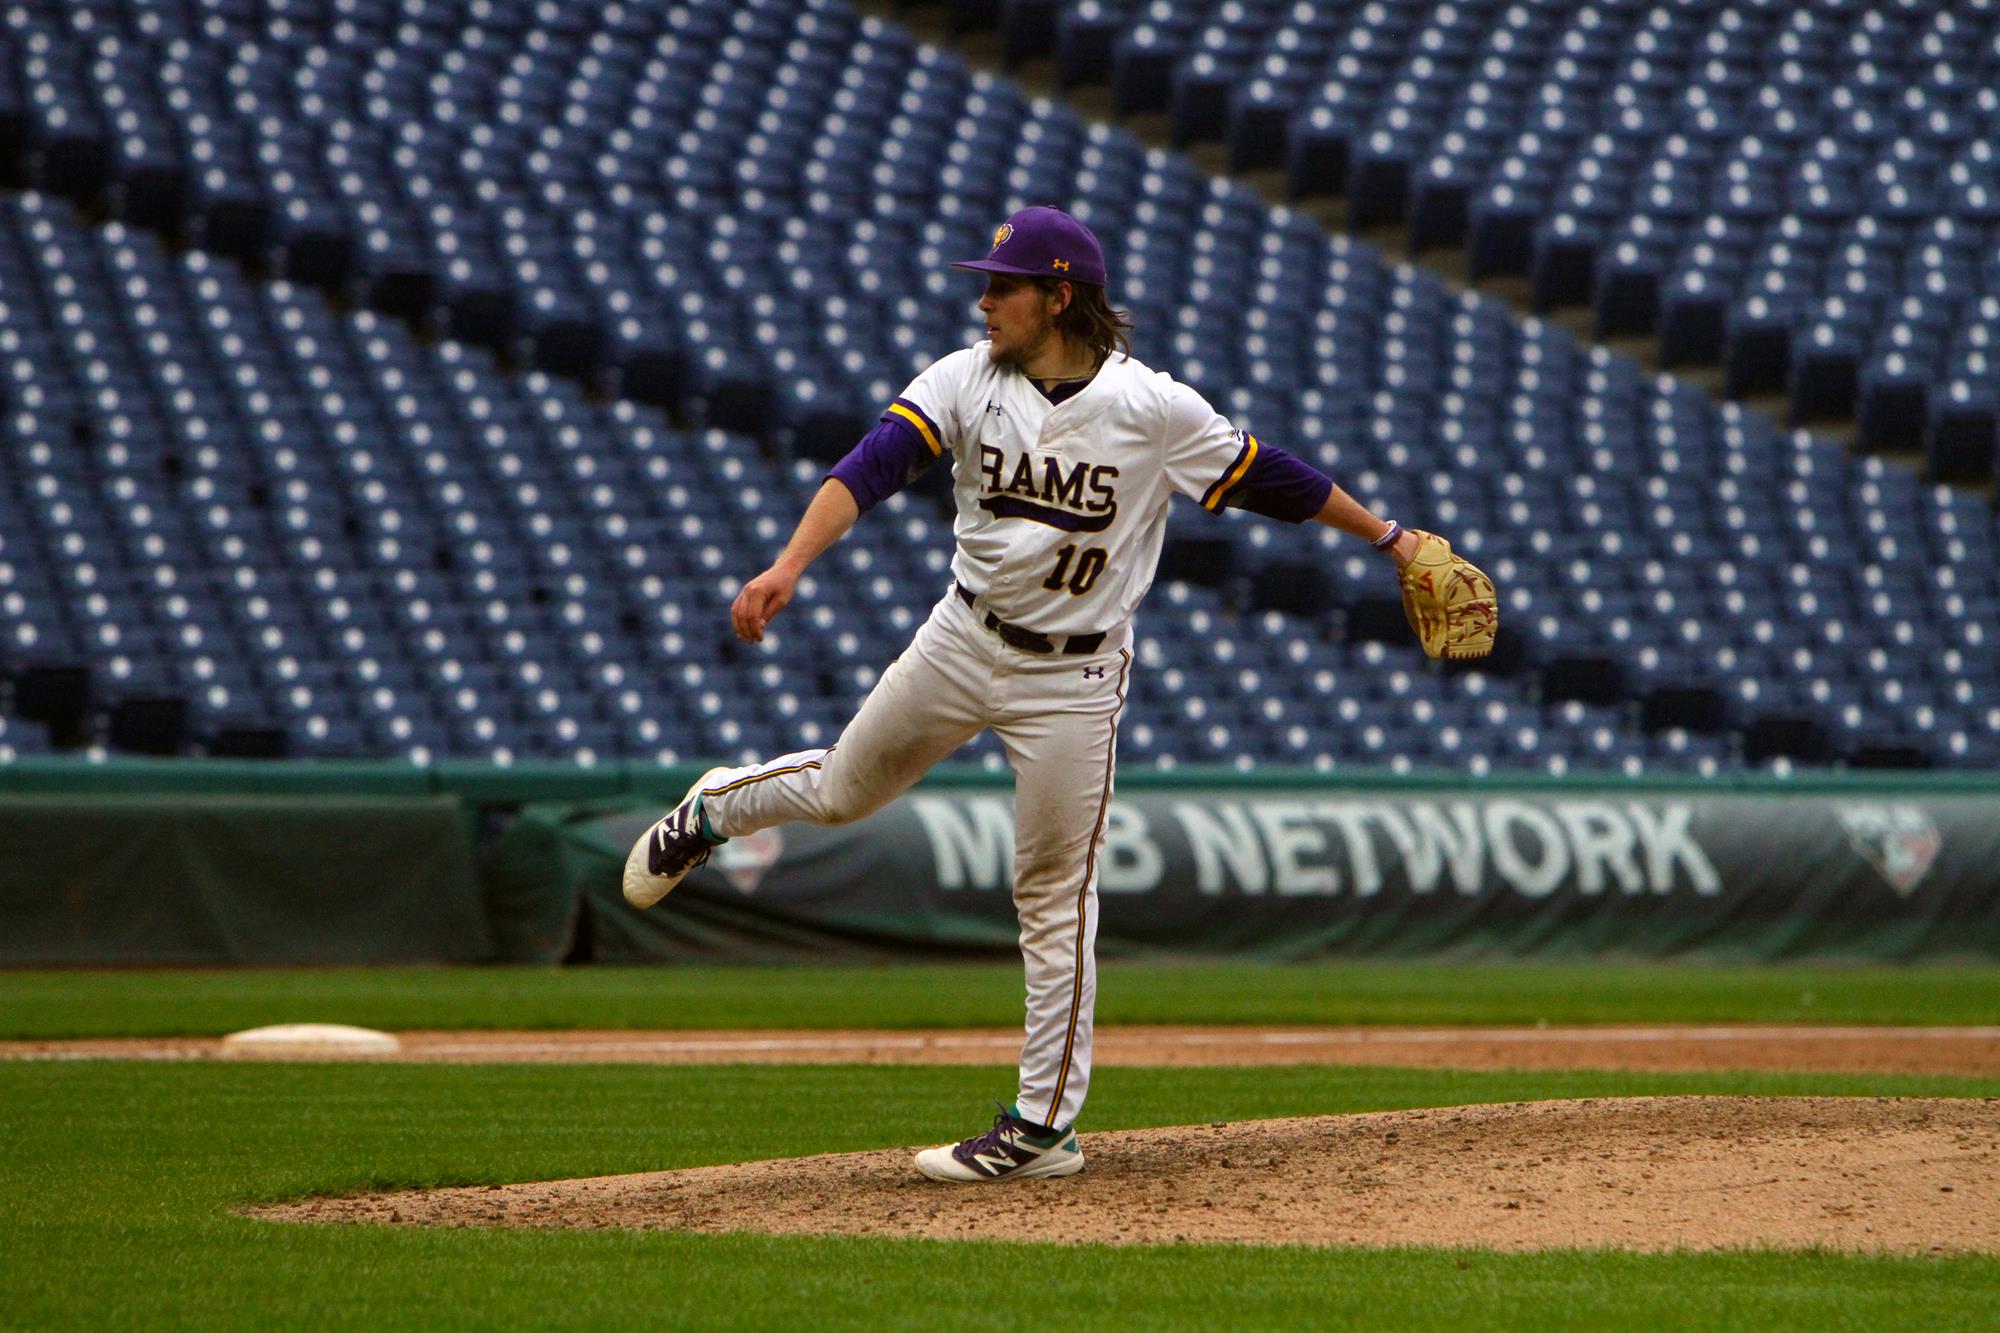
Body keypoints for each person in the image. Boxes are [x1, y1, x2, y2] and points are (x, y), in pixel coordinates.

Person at [624, 205, 1433, 1183]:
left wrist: (1393, 540)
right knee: (841, 791)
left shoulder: (1153, 407)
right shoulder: (965, 378)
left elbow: (1274, 478)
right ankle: (715, 808)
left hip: (1074, 677)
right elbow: (872, 464)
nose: (984, 301)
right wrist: (789, 561)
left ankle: (1044, 1125)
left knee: (1052, 891)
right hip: (963, 636)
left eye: (1002, 286)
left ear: (1058, 297)